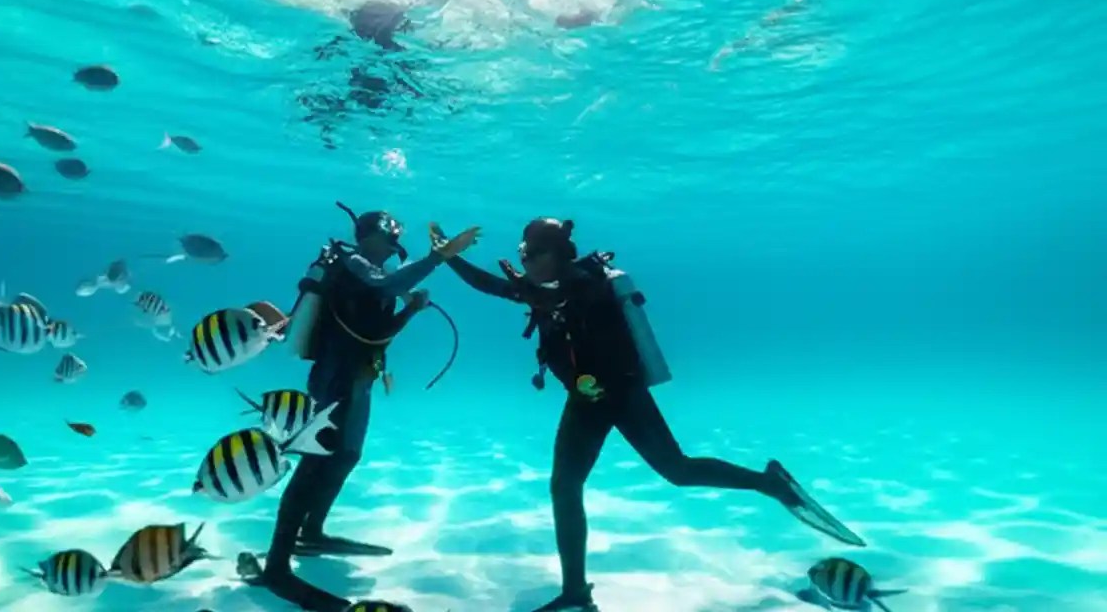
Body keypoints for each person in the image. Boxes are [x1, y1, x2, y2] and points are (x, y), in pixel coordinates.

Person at [430, 217, 864, 612]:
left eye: (534, 253)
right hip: (586, 400)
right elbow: (503, 289)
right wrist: (446, 258)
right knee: (564, 487)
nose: (527, 260)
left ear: (559, 254)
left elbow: (520, 291)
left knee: (678, 470)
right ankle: (576, 590)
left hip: (622, 394)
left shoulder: (584, 284)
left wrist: (450, 256)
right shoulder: (550, 288)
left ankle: (770, 483)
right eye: (523, 253)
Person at [258, 203, 480, 611]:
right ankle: (276, 566)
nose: (396, 240)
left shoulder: (374, 275)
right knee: (315, 459)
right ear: (369, 235)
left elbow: (377, 334)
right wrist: (439, 256)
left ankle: (313, 531)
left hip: (360, 378)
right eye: (390, 233)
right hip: (335, 379)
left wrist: (410, 312)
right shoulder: (353, 263)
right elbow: (384, 287)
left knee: (347, 455)